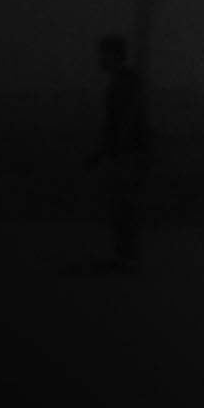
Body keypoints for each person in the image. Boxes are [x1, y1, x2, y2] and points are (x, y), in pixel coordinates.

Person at [83, 34, 151, 273]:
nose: (99, 60)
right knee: (121, 203)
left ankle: (126, 257)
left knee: (123, 203)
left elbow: (124, 120)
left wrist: (109, 149)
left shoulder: (125, 83)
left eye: (103, 54)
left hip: (127, 152)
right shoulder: (125, 82)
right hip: (126, 151)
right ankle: (125, 255)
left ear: (114, 56)